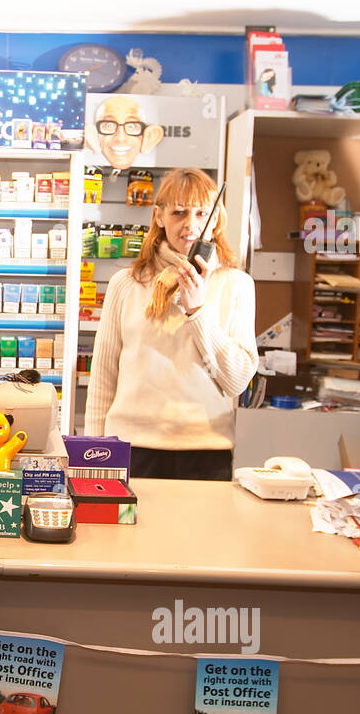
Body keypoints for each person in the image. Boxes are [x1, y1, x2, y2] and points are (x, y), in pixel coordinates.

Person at [85, 167, 257, 480]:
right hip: (130, 449)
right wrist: (95, 456)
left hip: (206, 452)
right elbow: (103, 379)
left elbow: (236, 381)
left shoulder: (236, 285)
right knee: (126, 532)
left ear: (216, 219)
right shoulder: (126, 283)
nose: (190, 225)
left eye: (202, 213)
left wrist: (198, 310)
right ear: (159, 216)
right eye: (179, 212)